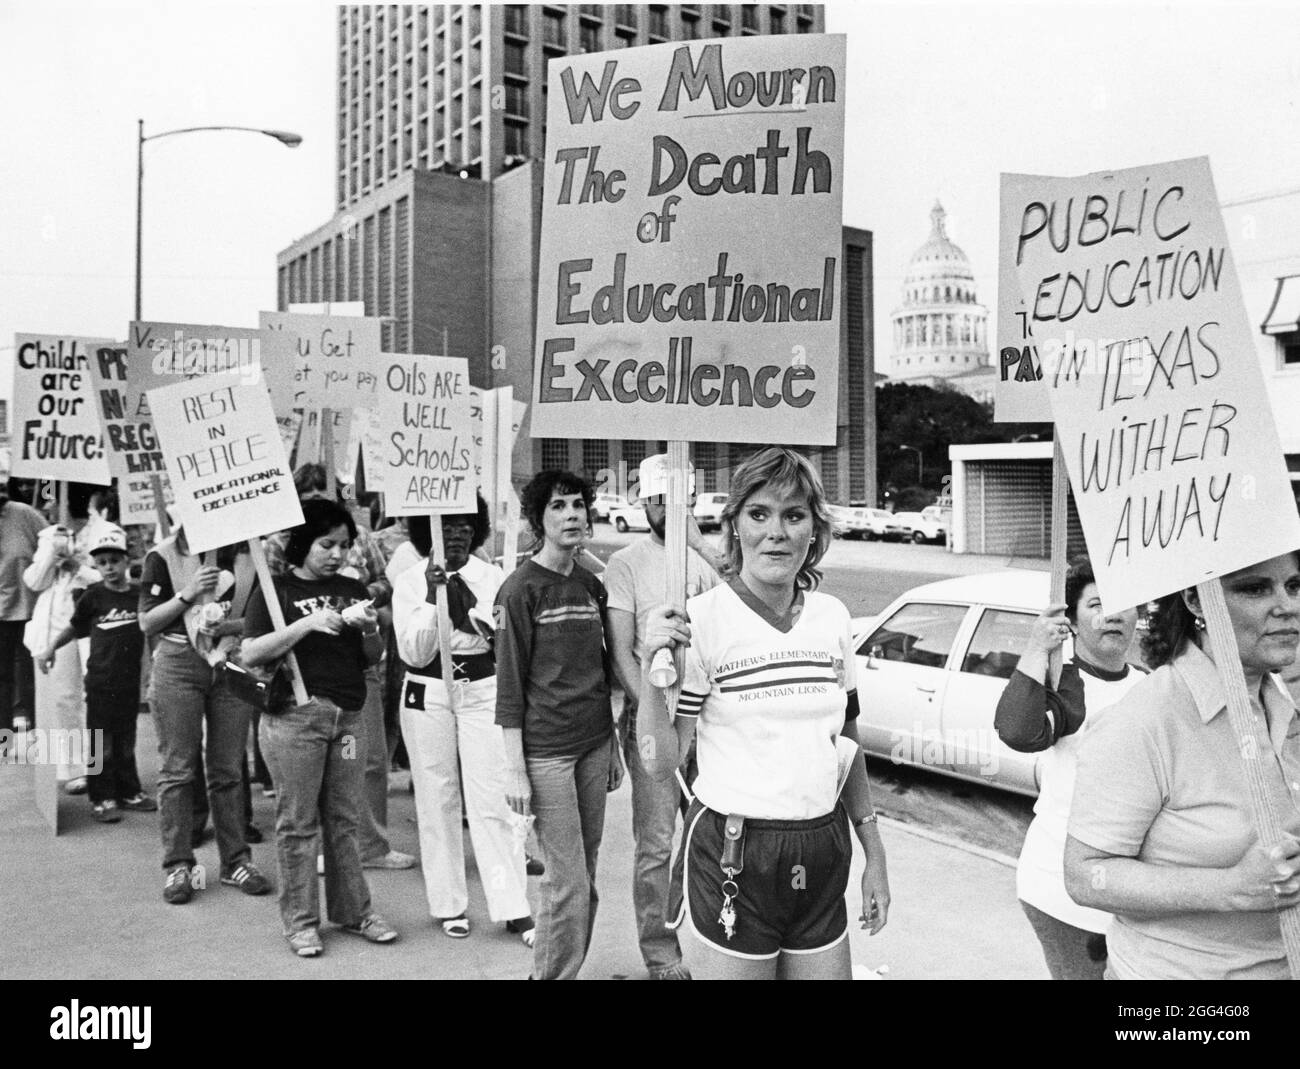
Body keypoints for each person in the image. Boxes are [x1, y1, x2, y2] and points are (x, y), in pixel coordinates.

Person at [637, 447, 891, 980]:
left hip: (822, 850)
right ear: (733, 527)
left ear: (814, 533)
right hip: (736, 852)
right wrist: (649, 666)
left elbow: (845, 744)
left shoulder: (833, 617)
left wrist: (875, 853)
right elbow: (663, 763)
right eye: (759, 514)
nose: (776, 532)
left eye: (793, 515)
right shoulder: (701, 621)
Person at [1064, 551, 1300, 980]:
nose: (1288, 605)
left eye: (1295, 586)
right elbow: (1084, 877)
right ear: (1196, 600)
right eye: (1255, 588)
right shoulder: (1144, 720)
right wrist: (1232, 890)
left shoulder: (1281, 702)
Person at [242, 498, 399, 958]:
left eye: (345, 545)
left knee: (345, 816)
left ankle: (354, 911)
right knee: (298, 822)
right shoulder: (276, 591)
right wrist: (308, 623)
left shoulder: (353, 588)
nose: (337, 554)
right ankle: (301, 921)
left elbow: (371, 658)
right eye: (326, 544)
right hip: (296, 720)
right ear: (303, 544)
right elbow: (252, 653)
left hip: (348, 721)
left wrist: (370, 630)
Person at [496, 469, 622, 980]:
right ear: (536, 520)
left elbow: (603, 672)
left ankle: (561, 970)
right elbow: (508, 690)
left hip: (594, 744)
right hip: (546, 754)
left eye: (578, 505)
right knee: (564, 881)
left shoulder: (591, 584)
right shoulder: (519, 591)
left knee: (585, 876)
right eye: (558, 507)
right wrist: (516, 771)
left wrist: (612, 743)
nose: (572, 515)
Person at [993, 556, 1143, 979]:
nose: (1112, 614)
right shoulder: (1069, 682)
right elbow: (1018, 732)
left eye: (1122, 603)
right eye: (1095, 605)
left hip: (1124, 886)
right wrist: (1038, 647)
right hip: (1063, 887)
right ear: (1073, 622)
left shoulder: (1148, 685)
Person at [393, 503, 535, 944]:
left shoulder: (491, 577)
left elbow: (502, 641)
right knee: (437, 797)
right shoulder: (409, 580)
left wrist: (471, 610)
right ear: (425, 530)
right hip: (428, 690)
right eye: (445, 526)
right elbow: (413, 653)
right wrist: (436, 603)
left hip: (480, 688)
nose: (455, 534)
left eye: (463, 525)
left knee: (493, 796)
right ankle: (450, 904)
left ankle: (512, 904)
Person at [605, 455, 722, 980]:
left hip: (708, 720)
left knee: (715, 833)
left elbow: (740, 598)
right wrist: (652, 711)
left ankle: (711, 934)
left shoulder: (703, 559)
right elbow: (621, 650)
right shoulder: (626, 563)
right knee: (655, 843)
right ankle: (660, 954)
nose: (668, 511)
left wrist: (699, 543)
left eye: (677, 501)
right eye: (659, 502)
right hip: (653, 716)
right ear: (643, 502)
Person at [265, 463, 413, 870]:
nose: (337, 552)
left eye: (322, 492)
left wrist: (356, 592)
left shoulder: (359, 536)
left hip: (358, 667)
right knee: (310, 770)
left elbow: (385, 583)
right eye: (308, 496)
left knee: (369, 758)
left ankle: (372, 845)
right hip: (305, 675)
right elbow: (273, 599)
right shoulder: (279, 543)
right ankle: (319, 848)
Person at [140, 523, 272, 904]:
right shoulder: (164, 555)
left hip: (230, 660)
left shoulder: (253, 554)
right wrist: (189, 593)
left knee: (228, 769)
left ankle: (235, 861)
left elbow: (265, 618)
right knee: (178, 768)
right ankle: (179, 865)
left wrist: (227, 626)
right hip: (179, 661)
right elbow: (147, 621)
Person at [39, 524, 155, 823]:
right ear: (96, 565)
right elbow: (74, 628)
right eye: (102, 563)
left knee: (126, 738)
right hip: (101, 681)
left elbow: (154, 628)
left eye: (114, 561)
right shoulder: (93, 596)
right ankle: (102, 796)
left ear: (126, 561)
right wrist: (51, 647)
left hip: (130, 681)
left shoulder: (139, 595)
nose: (109, 568)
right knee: (100, 741)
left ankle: (129, 790)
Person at [24, 491, 101, 792]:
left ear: (68, 501)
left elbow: (109, 580)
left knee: (86, 696)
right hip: (54, 626)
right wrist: (51, 555)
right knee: (61, 698)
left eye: (52, 499)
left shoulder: (103, 532)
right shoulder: (50, 536)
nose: (46, 506)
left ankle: (93, 766)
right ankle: (71, 767)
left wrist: (77, 567)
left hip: (89, 624)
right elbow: (33, 581)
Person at [0, 474, 46, 750]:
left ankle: (37, 731)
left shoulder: (24, 514)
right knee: (1, 674)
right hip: (1, 611)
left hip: (32, 606)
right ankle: (3, 738)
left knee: (34, 672)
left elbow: (53, 544)